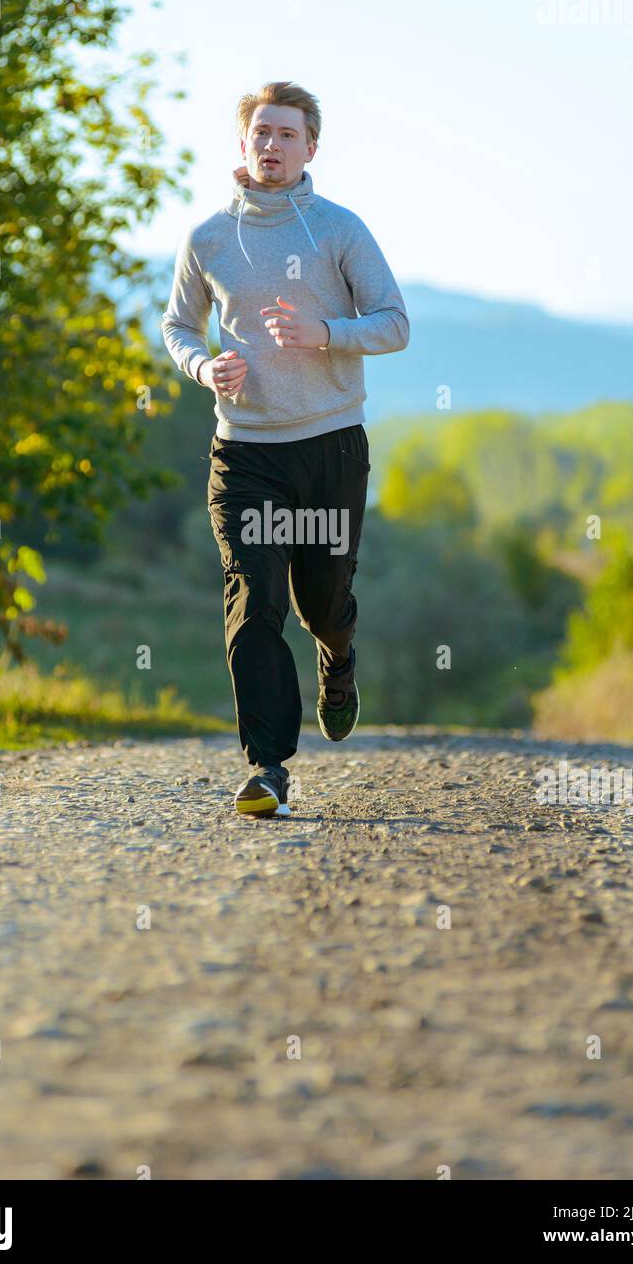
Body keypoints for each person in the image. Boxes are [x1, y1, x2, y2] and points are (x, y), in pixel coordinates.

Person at [162, 82, 409, 816]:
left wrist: (323, 334)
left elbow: (395, 323)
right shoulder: (207, 237)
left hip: (329, 446)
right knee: (253, 597)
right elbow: (178, 327)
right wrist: (205, 366)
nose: (271, 144)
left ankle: (337, 657)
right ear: (242, 144)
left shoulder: (337, 230)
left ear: (310, 148)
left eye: (286, 134)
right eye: (260, 132)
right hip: (245, 454)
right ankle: (267, 766)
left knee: (321, 604)